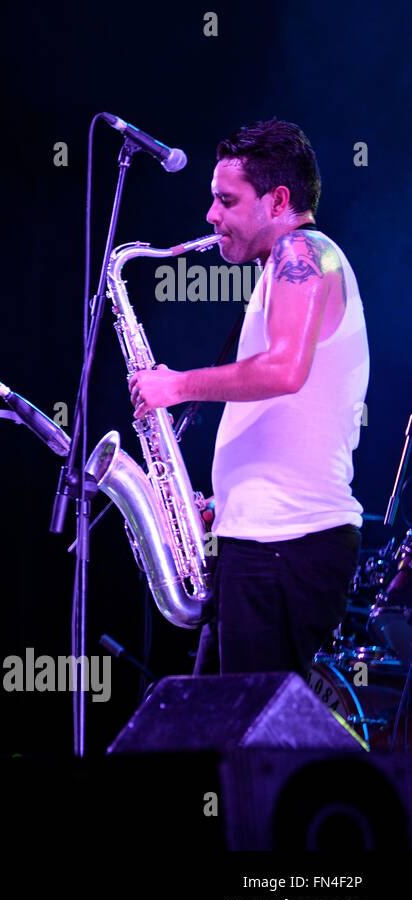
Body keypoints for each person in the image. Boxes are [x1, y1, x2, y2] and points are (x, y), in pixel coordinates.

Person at [129, 120, 369, 676]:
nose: (211, 216)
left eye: (227, 200)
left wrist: (176, 385)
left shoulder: (302, 251)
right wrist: (227, 501)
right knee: (222, 725)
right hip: (265, 545)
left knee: (252, 729)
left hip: (285, 549)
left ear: (278, 200)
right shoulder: (282, 266)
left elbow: (284, 370)